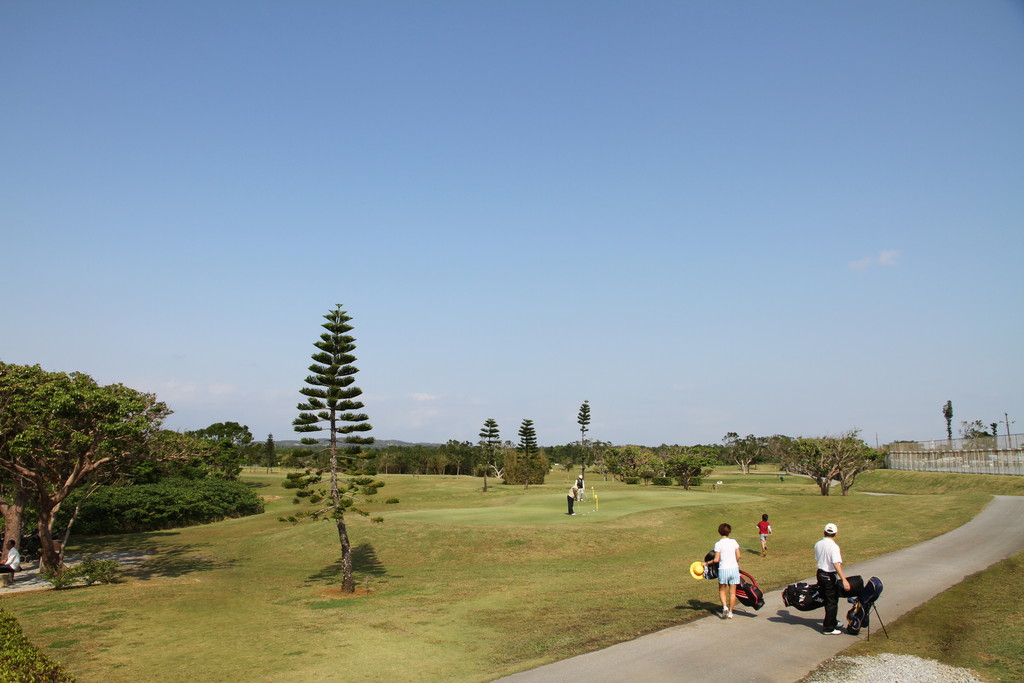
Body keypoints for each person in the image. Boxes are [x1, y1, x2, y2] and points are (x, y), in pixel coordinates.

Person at [815, 523, 851, 635]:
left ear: (824, 532)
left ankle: (832, 621)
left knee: (828, 599)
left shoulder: (818, 544)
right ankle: (829, 628)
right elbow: (836, 564)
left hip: (820, 573)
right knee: (832, 601)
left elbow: (818, 558)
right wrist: (844, 579)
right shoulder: (834, 547)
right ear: (835, 534)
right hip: (829, 575)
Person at [703, 523, 741, 619]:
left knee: (722, 590)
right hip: (734, 569)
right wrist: (734, 562)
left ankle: (724, 607)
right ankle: (731, 612)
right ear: (729, 532)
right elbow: (739, 556)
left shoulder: (718, 544)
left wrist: (707, 563)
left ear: (719, 532)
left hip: (723, 569)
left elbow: (716, 560)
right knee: (732, 592)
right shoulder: (734, 542)